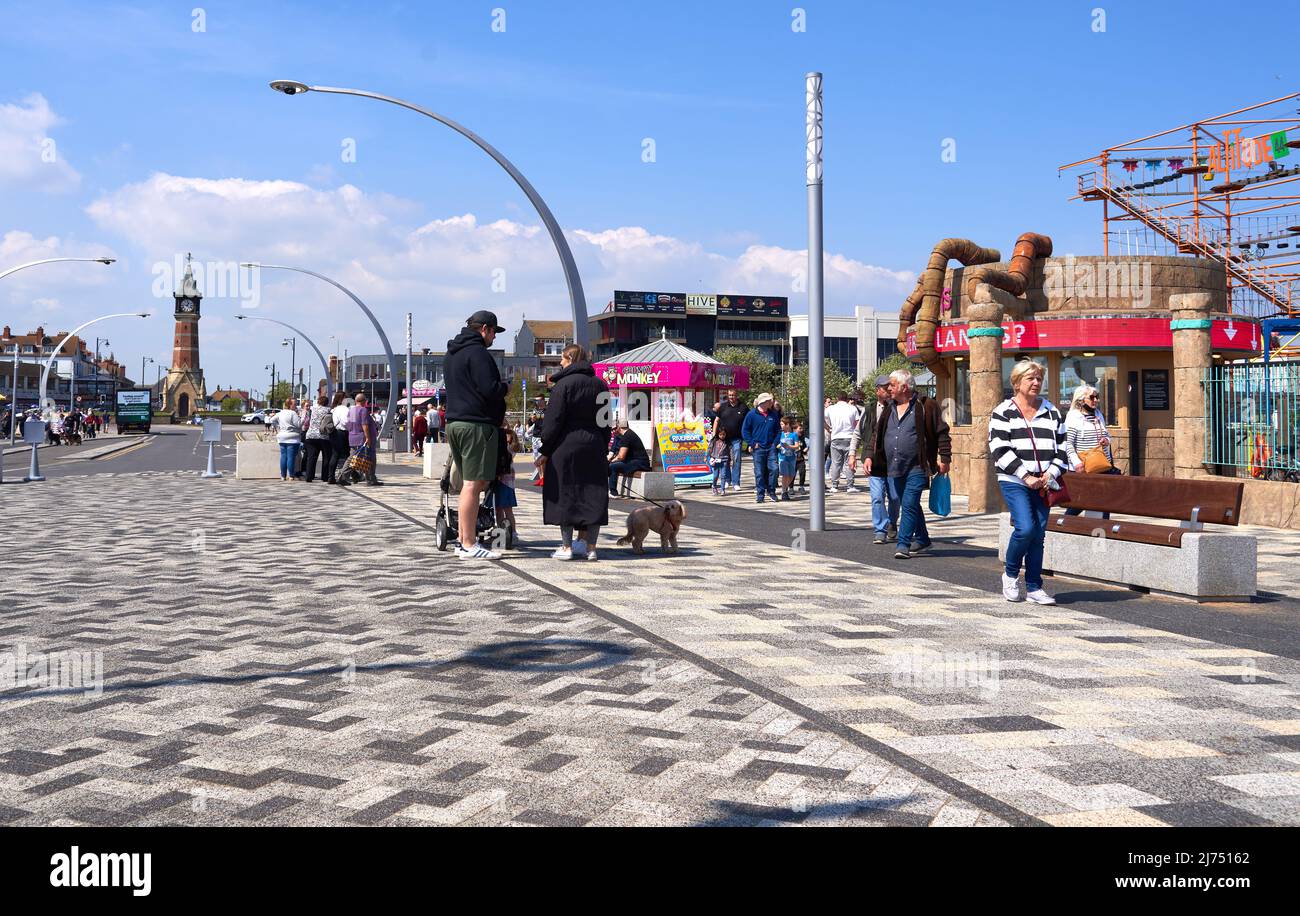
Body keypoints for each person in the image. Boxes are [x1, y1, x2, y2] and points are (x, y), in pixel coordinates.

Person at [989, 359, 1067, 604]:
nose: (1036, 383)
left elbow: (1063, 448)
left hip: (1044, 482)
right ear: (1016, 382)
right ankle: (1011, 574)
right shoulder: (1003, 411)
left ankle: (1034, 587)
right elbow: (1000, 449)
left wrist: (1050, 474)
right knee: (1025, 528)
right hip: (1014, 480)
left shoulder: (1052, 411)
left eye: (1038, 379)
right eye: (1030, 378)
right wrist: (1026, 476)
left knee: (1039, 534)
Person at [445, 310, 509, 559]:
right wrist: (505, 387)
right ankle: (469, 543)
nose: (494, 338)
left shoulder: (452, 354)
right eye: (494, 332)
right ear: (484, 329)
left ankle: (463, 539)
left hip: (454, 423)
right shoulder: (478, 353)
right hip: (476, 425)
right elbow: (489, 389)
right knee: (474, 484)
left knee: (469, 483)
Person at [537, 344, 611, 561]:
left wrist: (545, 449)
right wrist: (602, 445)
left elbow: (553, 422)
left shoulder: (563, 385)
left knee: (565, 493)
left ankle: (567, 547)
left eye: (561, 358)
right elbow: (605, 421)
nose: (560, 363)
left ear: (569, 359)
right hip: (594, 445)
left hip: (565, 447)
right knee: (594, 494)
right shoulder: (601, 385)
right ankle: (591, 548)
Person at [867, 369, 951, 560]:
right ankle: (922, 538)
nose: (889, 388)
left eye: (893, 384)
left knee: (909, 503)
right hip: (894, 466)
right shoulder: (889, 408)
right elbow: (877, 434)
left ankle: (903, 543)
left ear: (904, 387)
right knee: (908, 502)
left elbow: (942, 432)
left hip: (917, 466)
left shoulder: (926, 406)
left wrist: (944, 458)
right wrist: (869, 455)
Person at [851, 375, 900, 545]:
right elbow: (859, 433)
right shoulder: (870, 409)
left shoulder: (897, 407)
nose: (888, 390)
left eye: (890, 387)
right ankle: (880, 529)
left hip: (893, 461)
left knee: (894, 497)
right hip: (874, 460)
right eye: (885, 388)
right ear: (877, 390)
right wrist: (853, 454)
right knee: (877, 497)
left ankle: (892, 523)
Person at [1063, 384, 1119, 517]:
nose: (1096, 400)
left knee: (1105, 500)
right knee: (1081, 500)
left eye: (1097, 397)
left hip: (1102, 465)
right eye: (1092, 397)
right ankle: (1065, 521)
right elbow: (1068, 443)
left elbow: (1106, 435)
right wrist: (1077, 463)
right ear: (1081, 400)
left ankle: (1104, 528)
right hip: (1083, 467)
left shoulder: (1099, 415)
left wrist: (1106, 440)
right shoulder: (1073, 417)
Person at [741, 393, 782, 503]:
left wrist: (774, 443)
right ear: (763, 402)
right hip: (758, 448)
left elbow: (778, 430)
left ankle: (771, 491)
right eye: (769, 401)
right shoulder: (751, 415)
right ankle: (760, 494)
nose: (771, 402)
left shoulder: (773, 414)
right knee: (759, 472)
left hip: (771, 447)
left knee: (774, 469)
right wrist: (752, 443)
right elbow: (745, 431)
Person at [340, 392, 382, 487]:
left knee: (352, 458)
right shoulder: (363, 410)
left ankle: (343, 476)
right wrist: (368, 437)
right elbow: (364, 425)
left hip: (353, 437)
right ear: (364, 401)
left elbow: (349, 424)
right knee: (370, 458)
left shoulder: (351, 410)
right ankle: (370, 479)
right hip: (362, 438)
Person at [825, 390, 860, 493]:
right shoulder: (852, 408)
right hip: (850, 437)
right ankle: (850, 486)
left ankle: (835, 485)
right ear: (847, 399)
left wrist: (828, 428)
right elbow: (858, 423)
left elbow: (821, 418)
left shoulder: (831, 408)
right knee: (849, 462)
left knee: (836, 463)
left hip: (836, 437)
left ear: (837, 398)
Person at [608, 419, 652, 498]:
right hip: (638, 462)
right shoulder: (629, 434)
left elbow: (621, 456)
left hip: (640, 463)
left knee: (612, 466)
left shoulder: (627, 436)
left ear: (619, 427)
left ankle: (613, 493)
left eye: (615, 428)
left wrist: (611, 461)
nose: (613, 430)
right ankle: (611, 491)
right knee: (613, 465)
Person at [715, 388, 747, 492]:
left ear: (737, 395)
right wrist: (714, 435)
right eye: (729, 395)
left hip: (737, 438)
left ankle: (736, 482)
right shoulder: (723, 407)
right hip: (724, 438)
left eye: (733, 395)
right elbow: (716, 420)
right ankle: (727, 480)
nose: (731, 397)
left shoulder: (743, 407)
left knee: (737, 458)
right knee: (726, 460)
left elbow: (748, 421)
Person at [496, 424, 521, 543]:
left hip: (506, 482)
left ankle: (513, 532)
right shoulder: (505, 447)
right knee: (498, 509)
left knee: (507, 509)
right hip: (501, 482)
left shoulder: (509, 449)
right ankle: (501, 532)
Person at [302, 395, 333, 482]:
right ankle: (325, 476)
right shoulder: (328, 410)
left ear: (318, 402)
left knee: (311, 457)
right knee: (326, 456)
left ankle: (309, 476)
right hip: (323, 436)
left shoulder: (313, 409)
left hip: (311, 435)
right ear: (327, 402)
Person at [272, 397, 304, 481]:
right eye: (294, 403)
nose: (296, 405)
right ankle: (291, 476)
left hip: (282, 436)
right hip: (292, 437)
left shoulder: (280, 413)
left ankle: (283, 476)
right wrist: (303, 417)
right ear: (290, 404)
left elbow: (272, 420)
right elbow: (299, 424)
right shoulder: (293, 413)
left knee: (283, 456)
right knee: (291, 457)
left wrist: (277, 428)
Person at [325, 391, 350, 484]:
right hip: (342, 433)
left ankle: (331, 476)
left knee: (335, 455)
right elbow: (345, 422)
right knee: (348, 456)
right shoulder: (344, 409)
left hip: (334, 432)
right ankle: (343, 476)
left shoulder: (334, 409)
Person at [778, 416, 800, 500]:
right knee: (785, 474)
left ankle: (784, 488)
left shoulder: (793, 435)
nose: (781, 426)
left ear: (787, 425)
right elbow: (776, 443)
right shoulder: (780, 434)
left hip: (791, 458)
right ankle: (784, 491)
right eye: (780, 424)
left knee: (791, 475)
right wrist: (778, 446)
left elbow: (797, 446)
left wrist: (788, 446)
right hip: (782, 457)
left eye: (782, 424)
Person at [709, 426, 731, 495]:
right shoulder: (714, 441)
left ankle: (722, 489)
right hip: (716, 460)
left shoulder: (727, 442)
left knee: (723, 475)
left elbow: (730, 451)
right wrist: (709, 456)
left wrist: (732, 459)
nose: (722, 436)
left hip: (724, 459)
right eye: (720, 434)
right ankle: (714, 486)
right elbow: (710, 449)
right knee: (716, 475)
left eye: (723, 434)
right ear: (718, 434)